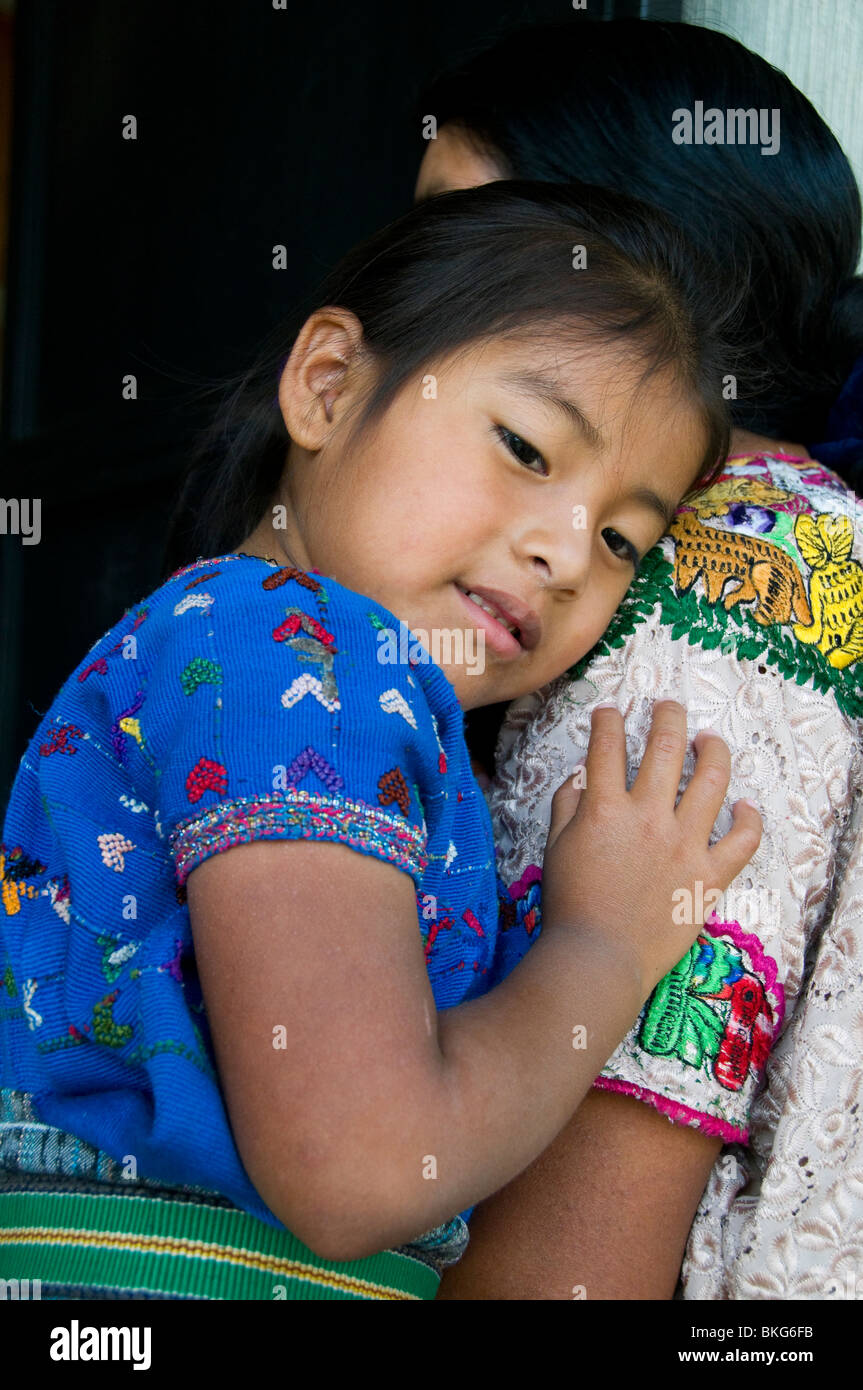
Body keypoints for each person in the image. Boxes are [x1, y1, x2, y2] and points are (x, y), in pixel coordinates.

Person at [0, 181, 762, 1300]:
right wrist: (601, 947)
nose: (562, 550)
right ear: (326, 384)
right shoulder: (298, 655)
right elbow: (356, 1171)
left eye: (618, 536)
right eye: (525, 445)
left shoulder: (272, 658)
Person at [414, 19, 863, 1300]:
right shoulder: (777, 541)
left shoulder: (689, 607)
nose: (400, 292)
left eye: (456, 242)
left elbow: (566, 1272)